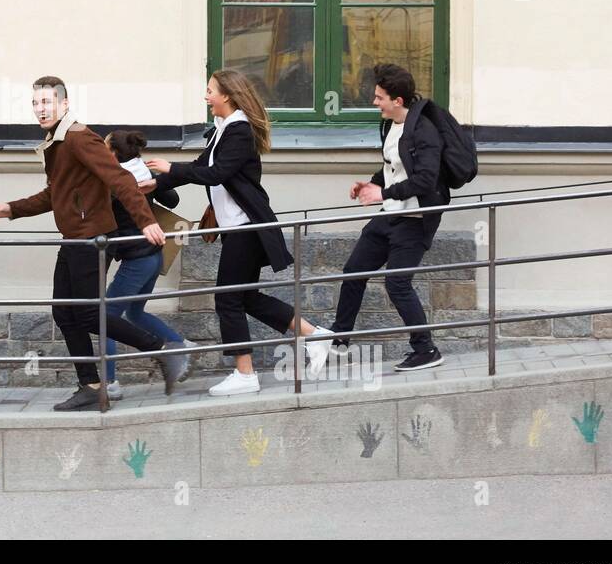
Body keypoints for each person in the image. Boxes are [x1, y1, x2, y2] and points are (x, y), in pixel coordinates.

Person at [0, 76, 189, 412]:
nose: (40, 109)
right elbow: (56, 193)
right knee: (64, 313)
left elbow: (120, 178)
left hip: (91, 239)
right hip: (74, 238)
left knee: (90, 315)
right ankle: (91, 385)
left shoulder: (79, 137)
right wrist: (12, 209)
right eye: (36, 103)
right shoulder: (57, 142)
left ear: (64, 104)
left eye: (47, 102)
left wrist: (147, 220)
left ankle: (163, 350)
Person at [145, 69, 333, 396]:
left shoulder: (239, 130)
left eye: (209, 91)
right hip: (237, 229)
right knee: (245, 298)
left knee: (228, 298)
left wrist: (169, 167)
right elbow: (200, 167)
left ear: (226, 96)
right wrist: (155, 183)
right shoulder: (223, 130)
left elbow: (217, 173)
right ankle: (313, 335)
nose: (205, 97)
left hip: (248, 228)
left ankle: (245, 373)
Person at [328, 63, 448, 371]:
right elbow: (393, 168)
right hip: (390, 215)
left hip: (415, 220)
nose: (374, 101)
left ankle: (426, 350)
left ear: (398, 100)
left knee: (397, 283)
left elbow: (425, 179)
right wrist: (373, 184)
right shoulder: (392, 125)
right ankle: (339, 343)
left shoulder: (424, 131)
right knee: (353, 271)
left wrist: (384, 194)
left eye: (380, 97)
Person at [100, 129, 199, 400]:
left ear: (113, 153)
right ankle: (181, 345)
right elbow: (172, 199)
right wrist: (155, 179)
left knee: (105, 318)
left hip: (138, 258)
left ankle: (109, 383)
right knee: (134, 313)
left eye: (104, 147)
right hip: (154, 254)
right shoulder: (143, 172)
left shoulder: (116, 180)